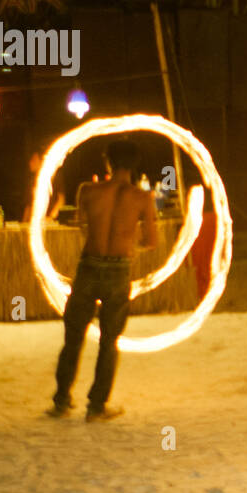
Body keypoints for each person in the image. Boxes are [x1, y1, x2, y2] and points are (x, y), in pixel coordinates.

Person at [47, 139, 158, 421]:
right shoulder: (142, 198)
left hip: (88, 268)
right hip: (118, 270)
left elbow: (81, 224)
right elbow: (152, 241)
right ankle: (96, 407)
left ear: (108, 162)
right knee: (109, 342)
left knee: (73, 338)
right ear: (135, 165)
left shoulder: (88, 190)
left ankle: (61, 401)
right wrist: (131, 241)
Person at [23, 151, 66, 222]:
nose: (30, 163)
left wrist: (51, 217)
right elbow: (29, 205)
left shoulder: (55, 176)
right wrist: (24, 222)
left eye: (33, 160)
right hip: (35, 222)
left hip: (52, 222)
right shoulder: (32, 181)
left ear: (41, 162)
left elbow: (61, 200)